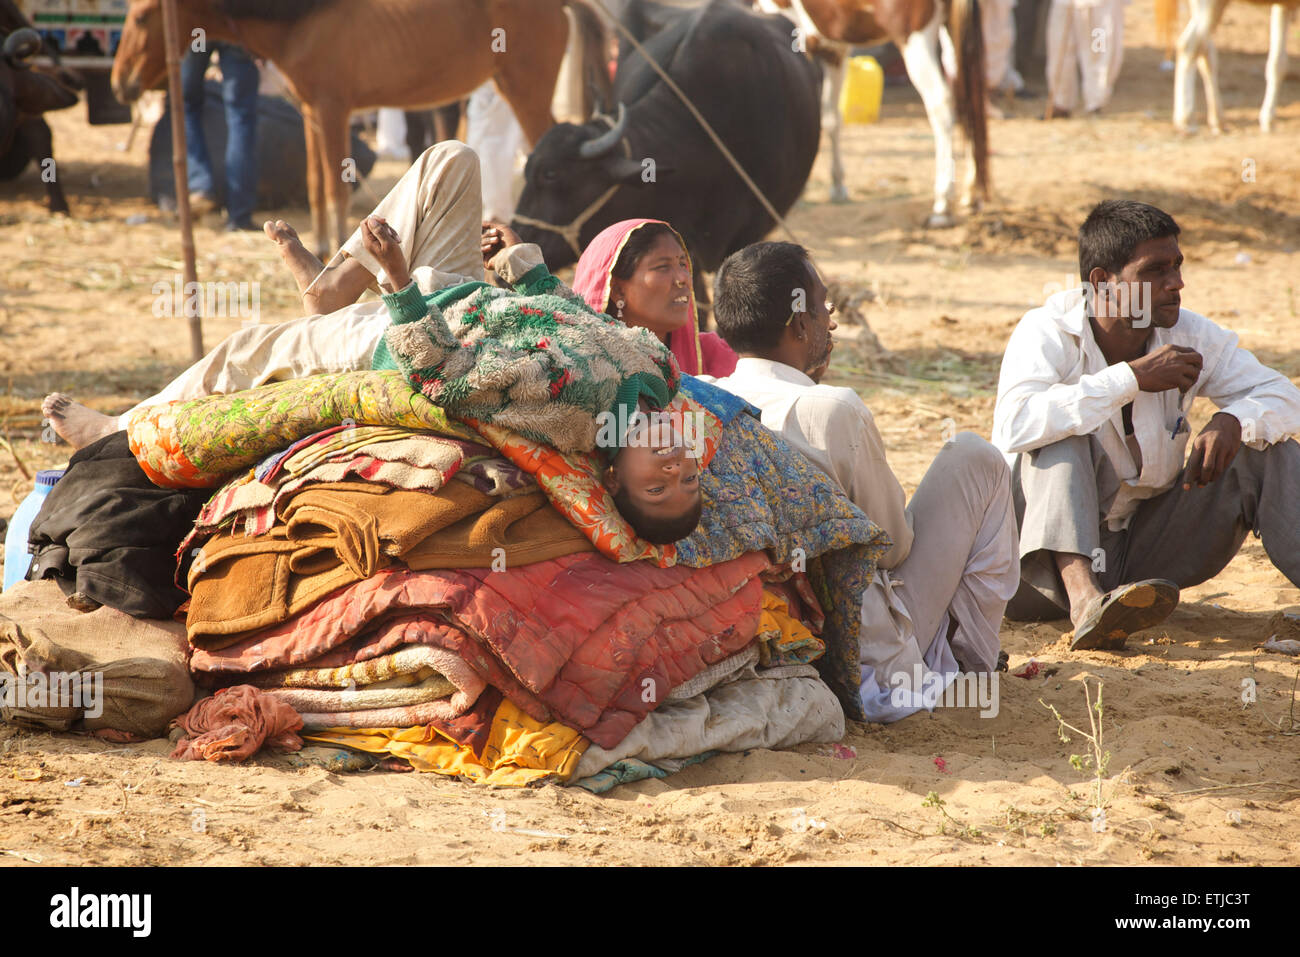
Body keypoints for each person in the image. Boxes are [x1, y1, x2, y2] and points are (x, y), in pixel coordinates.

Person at [707, 241, 1020, 720]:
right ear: (799, 323)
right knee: (976, 457)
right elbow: (892, 548)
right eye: (823, 306)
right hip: (864, 659)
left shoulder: (704, 398)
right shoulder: (832, 408)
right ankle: (966, 661)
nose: (831, 321)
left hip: (765, 632)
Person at [993, 199, 1300, 649]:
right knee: (1063, 436)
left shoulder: (1190, 335)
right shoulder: (1048, 330)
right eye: (1155, 271)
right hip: (1032, 572)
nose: (1177, 284)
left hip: (1138, 560)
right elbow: (1014, 426)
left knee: (1266, 448)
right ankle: (1085, 606)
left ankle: (1109, 604)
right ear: (1103, 282)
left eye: (1177, 266)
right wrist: (1129, 379)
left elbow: (1285, 397)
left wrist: (1234, 419)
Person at [362, 214, 701, 544]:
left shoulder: (571, 415)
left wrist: (398, 279)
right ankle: (330, 282)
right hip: (462, 285)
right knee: (452, 157)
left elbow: (445, 376)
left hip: (392, 327)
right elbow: (580, 316)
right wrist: (520, 261)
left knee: (319, 323)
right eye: (690, 478)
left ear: (612, 481)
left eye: (656, 489)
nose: (673, 470)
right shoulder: (662, 369)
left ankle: (331, 288)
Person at [574, 219, 738, 378]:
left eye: (682, 264)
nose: (683, 278)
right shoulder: (582, 372)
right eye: (663, 267)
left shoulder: (717, 358)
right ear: (617, 290)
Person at [182, 42, 260, 231]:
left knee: (187, 104)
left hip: (198, 30)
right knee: (240, 114)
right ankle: (239, 215)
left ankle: (200, 186)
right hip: (231, 28)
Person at [1045, 0, 1125, 117]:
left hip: (1098, 5)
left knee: (1098, 51)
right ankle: (1060, 102)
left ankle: (1095, 103)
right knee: (1059, 48)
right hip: (1064, 4)